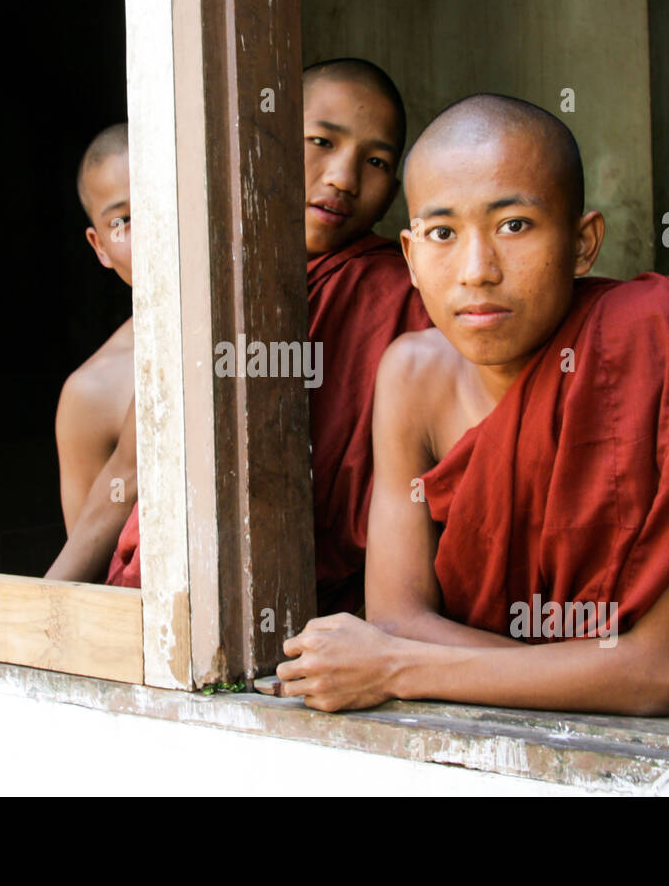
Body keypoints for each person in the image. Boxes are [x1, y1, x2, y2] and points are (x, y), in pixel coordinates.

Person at [276, 94, 669, 716]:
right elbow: (397, 614)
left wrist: (395, 668)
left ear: (584, 243)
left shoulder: (655, 346)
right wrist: (586, 670)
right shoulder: (413, 376)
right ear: (410, 258)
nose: (477, 270)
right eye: (443, 234)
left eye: (514, 226)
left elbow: (660, 673)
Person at [106, 60, 431, 613]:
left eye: (375, 161)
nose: (344, 178)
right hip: (179, 605)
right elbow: (124, 479)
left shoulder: (401, 293)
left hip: (348, 609)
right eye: (321, 141)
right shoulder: (209, 285)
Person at [45, 123, 137, 583]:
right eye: (123, 220)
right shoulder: (91, 391)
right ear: (99, 246)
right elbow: (95, 569)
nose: (153, 229)